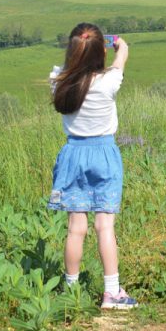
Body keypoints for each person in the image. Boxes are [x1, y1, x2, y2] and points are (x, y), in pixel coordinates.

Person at [48, 22, 138, 310]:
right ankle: (112, 293)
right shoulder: (108, 82)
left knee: (76, 228)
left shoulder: (58, 81)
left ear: (72, 52)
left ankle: (71, 291)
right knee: (104, 225)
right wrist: (119, 45)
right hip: (104, 154)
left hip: (73, 153)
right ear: (100, 52)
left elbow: (73, 68)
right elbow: (120, 58)